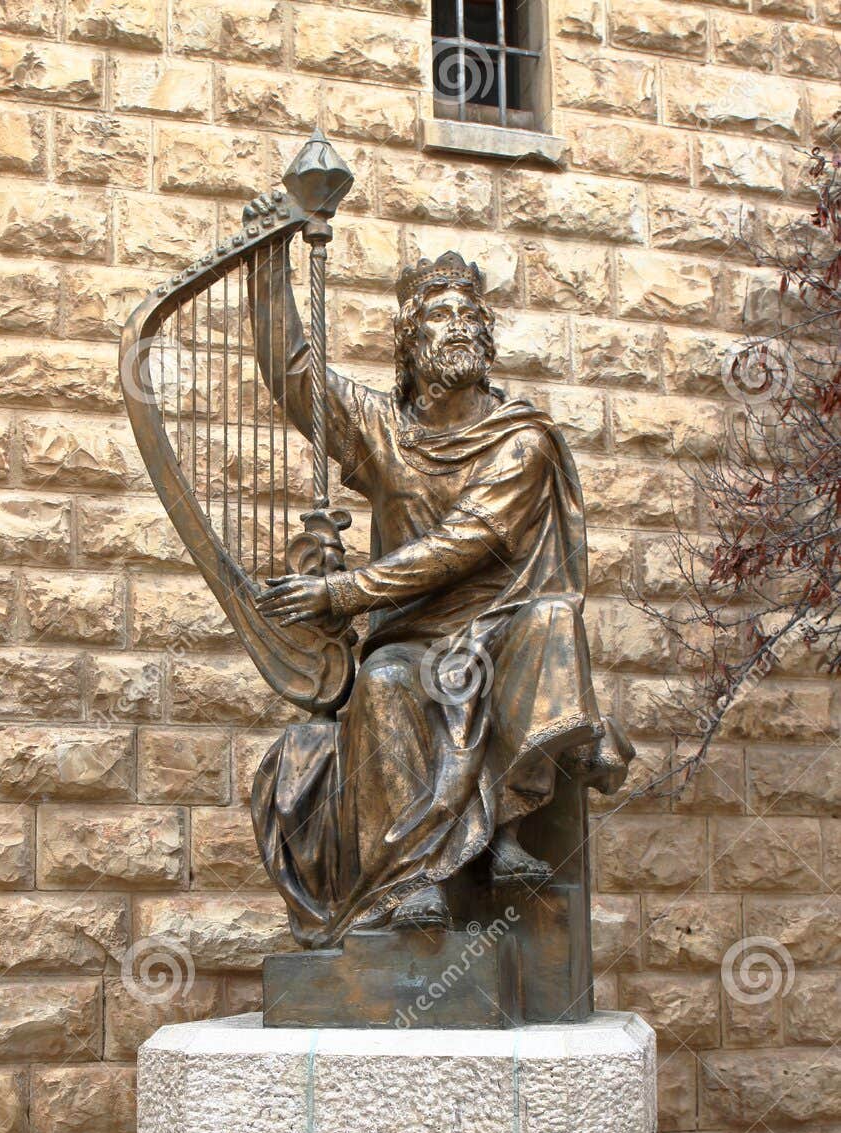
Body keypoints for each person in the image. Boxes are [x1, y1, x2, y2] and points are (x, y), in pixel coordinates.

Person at [248, 235, 632, 950]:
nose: (456, 324)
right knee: (386, 681)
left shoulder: (522, 440)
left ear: (484, 336)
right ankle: (416, 871)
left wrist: (342, 592)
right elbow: (295, 374)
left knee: (552, 620)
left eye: (468, 313)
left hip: (499, 625)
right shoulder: (383, 431)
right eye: (437, 314)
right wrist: (267, 265)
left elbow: (467, 541)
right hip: (410, 638)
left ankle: (507, 827)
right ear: (408, 342)